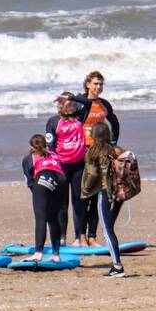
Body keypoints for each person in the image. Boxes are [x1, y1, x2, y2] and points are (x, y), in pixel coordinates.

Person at [65, 72, 120, 247]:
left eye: (101, 84)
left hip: (100, 154)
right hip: (82, 153)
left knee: (97, 195)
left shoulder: (104, 105)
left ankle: (92, 237)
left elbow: (115, 124)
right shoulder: (80, 102)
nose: (98, 87)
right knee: (82, 196)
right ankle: (79, 236)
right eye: (95, 84)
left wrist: (112, 144)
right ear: (87, 84)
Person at [81, 122, 131, 277]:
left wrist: (85, 191)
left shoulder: (92, 152)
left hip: (105, 193)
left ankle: (117, 266)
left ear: (94, 136)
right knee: (110, 228)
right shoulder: (117, 150)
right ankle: (116, 265)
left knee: (107, 231)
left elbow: (92, 175)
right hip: (120, 193)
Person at [46, 93, 89, 242]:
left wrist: (72, 97)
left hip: (78, 166)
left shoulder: (80, 118)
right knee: (62, 203)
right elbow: (50, 147)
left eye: (72, 103)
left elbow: (87, 102)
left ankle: (78, 237)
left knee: (78, 201)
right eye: (66, 103)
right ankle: (62, 237)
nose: (70, 105)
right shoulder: (53, 121)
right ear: (60, 105)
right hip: (62, 166)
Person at [21, 135, 67, 263]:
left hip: (43, 177)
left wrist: (39, 195)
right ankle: (56, 254)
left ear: (31, 147)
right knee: (53, 218)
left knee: (41, 217)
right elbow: (62, 168)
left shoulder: (28, 158)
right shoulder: (55, 154)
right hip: (61, 179)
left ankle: (38, 253)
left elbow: (30, 182)